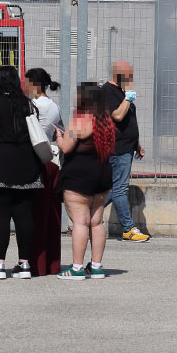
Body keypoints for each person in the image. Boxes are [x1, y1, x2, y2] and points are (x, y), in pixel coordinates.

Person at [0, 65, 43, 280]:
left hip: (0, 164)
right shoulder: (27, 104)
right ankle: (24, 264)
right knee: (23, 216)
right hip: (27, 164)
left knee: (1, 216)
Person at [56, 83, 115, 279]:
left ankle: (77, 268)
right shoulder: (106, 121)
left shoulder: (78, 120)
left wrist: (59, 137)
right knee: (97, 223)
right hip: (102, 175)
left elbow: (66, 148)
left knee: (80, 223)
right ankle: (96, 266)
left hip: (79, 177)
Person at [103, 61, 150, 242]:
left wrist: (137, 144)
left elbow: (128, 120)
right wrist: (128, 97)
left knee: (115, 188)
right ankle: (128, 229)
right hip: (118, 148)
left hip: (127, 147)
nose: (132, 80)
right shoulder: (107, 92)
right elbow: (117, 116)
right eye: (129, 76)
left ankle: (89, 213)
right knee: (120, 189)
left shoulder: (122, 92)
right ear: (119, 76)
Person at [24, 67, 64, 277]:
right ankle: (52, 264)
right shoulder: (55, 106)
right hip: (54, 161)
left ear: (35, 85)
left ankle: (35, 264)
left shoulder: (33, 105)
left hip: (36, 162)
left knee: (35, 216)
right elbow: (59, 132)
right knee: (52, 214)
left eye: (27, 83)